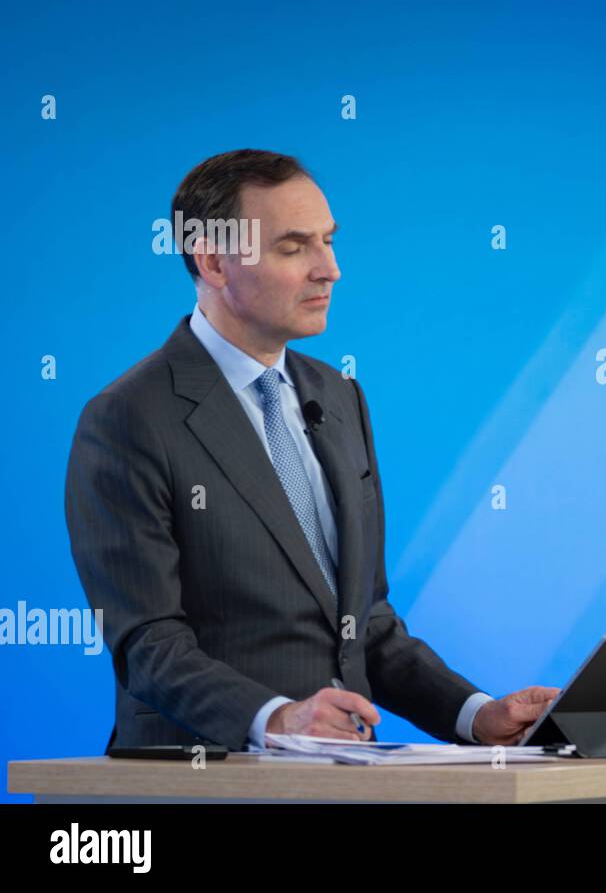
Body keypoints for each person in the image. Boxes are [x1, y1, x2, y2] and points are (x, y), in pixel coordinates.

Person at [66, 149, 558, 750]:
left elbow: (364, 624)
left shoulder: (339, 395)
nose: (330, 269)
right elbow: (148, 642)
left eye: (328, 241)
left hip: (342, 778)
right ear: (214, 261)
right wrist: (276, 719)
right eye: (294, 247)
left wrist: (475, 715)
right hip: (203, 780)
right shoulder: (128, 418)